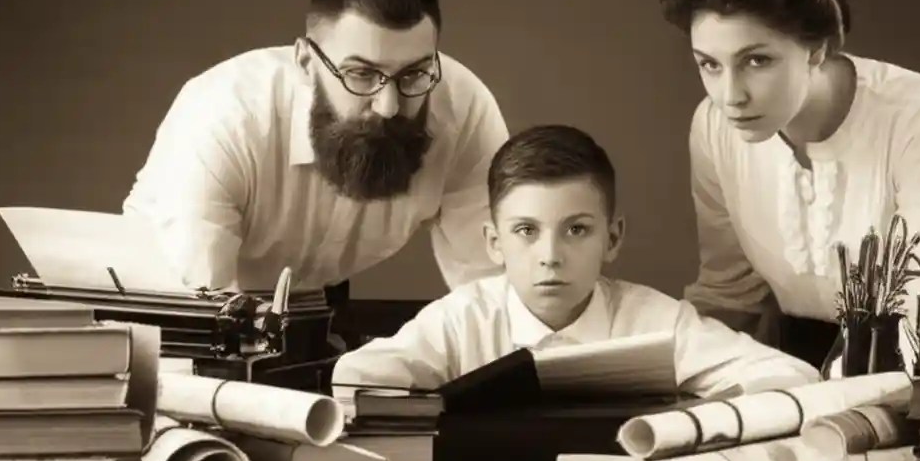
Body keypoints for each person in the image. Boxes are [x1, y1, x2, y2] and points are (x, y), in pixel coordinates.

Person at [330, 124, 821, 408]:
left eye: (577, 229)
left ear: (612, 238)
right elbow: (355, 377)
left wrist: (704, 415)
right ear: (494, 243)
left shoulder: (654, 322)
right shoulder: (463, 319)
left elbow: (791, 377)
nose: (550, 255)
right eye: (526, 231)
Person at [660, 0, 920, 367]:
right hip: (799, 359)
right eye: (710, 65)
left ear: (817, 50)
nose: (730, 95)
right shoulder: (714, 126)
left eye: (757, 61)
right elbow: (729, 297)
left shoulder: (916, 111)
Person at [122, 0, 508, 296]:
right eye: (360, 73)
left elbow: (491, 286)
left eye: (413, 74)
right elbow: (201, 310)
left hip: (309, 306)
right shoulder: (225, 114)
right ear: (307, 63)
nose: (389, 107)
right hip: (162, 305)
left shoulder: (462, 109)